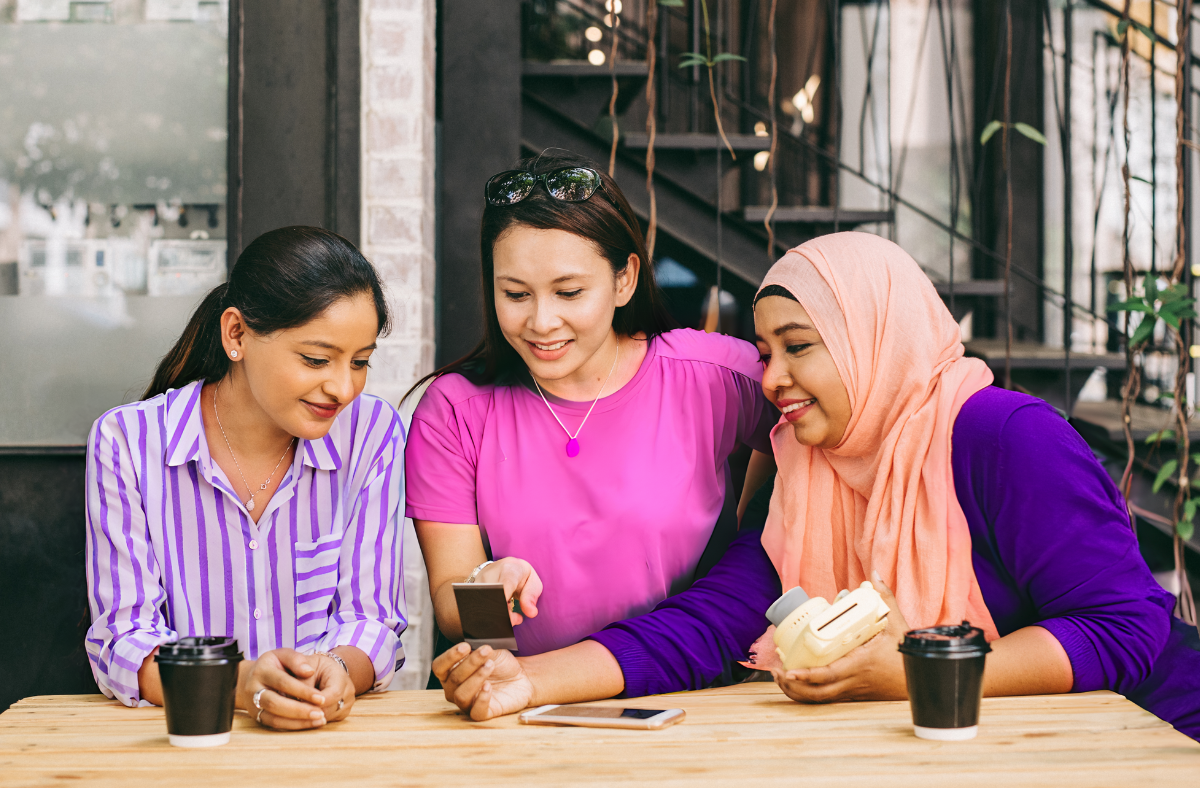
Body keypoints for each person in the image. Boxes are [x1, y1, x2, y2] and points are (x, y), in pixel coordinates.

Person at [431, 232, 1200, 741]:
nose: (772, 380)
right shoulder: (807, 465)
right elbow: (710, 621)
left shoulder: (1002, 436)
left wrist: (915, 675)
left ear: (876, 337)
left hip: (1151, 736)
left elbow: (1125, 628)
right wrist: (523, 680)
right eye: (764, 353)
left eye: (798, 348)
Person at [403, 153, 776, 661]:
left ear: (624, 280)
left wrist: (754, 513)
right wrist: (488, 592)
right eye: (515, 294)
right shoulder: (454, 412)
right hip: (522, 701)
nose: (541, 321)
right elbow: (454, 607)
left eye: (569, 292)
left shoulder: (714, 377)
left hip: (680, 692)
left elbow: (823, 431)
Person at [85, 226, 408, 731]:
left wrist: (340, 670)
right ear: (236, 334)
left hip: (323, 741)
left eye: (361, 362)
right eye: (316, 359)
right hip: (188, 739)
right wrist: (237, 684)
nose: (343, 388)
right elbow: (124, 640)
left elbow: (373, 619)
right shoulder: (127, 442)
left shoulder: (372, 434)